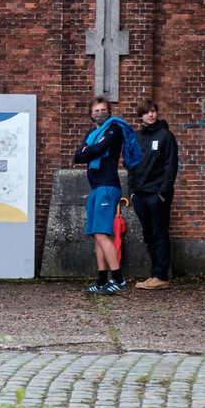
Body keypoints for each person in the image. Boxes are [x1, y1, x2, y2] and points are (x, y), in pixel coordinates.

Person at [73, 96, 125, 295]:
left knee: (103, 234)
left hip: (107, 187)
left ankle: (118, 280)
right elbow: (78, 156)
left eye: (103, 109)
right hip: (95, 188)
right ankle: (102, 281)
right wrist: (91, 148)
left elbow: (100, 148)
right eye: (96, 110)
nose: (100, 113)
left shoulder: (114, 128)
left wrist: (90, 149)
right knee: (96, 235)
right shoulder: (92, 132)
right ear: (90, 114)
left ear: (109, 112)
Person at [129, 99, 179, 290]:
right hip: (140, 195)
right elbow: (131, 164)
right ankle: (155, 274)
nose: (151, 115)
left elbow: (170, 166)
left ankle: (160, 275)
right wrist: (132, 191)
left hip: (157, 195)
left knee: (159, 233)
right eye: (146, 112)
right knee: (148, 235)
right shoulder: (135, 137)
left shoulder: (166, 136)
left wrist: (164, 193)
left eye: (153, 111)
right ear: (140, 116)